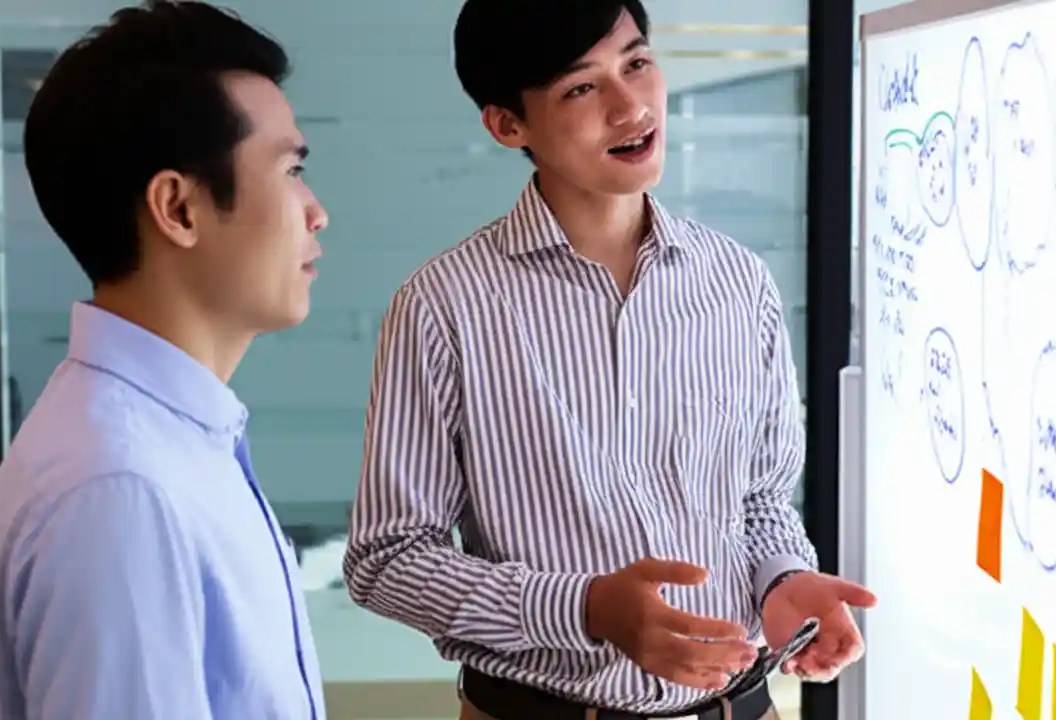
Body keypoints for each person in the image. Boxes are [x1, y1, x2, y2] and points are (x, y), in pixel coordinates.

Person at [342, 1, 876, 718]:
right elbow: (388, 560)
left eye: (636, 63)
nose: (631, 108)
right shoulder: (443, 306)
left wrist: (784, 583)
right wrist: (586, 608)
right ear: (508, 125)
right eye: (581, 87)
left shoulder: (737, 281)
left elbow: (758, 500)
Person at [0, 2, 329, 718]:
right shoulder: (123, 488)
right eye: (290, 169)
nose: (316, 211)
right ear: (179, 209)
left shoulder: (173, 446)